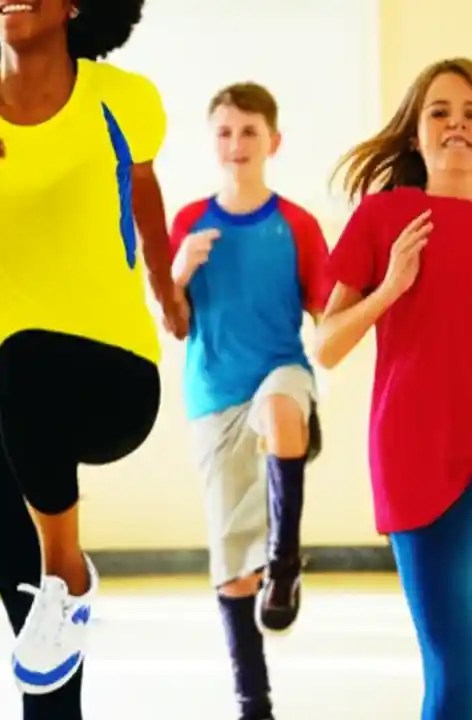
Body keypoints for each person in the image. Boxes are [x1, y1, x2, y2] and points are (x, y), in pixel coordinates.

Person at [0, 1, 186, 717]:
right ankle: (59, 598)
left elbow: (144, 190)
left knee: (25, 354)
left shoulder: (125, 98)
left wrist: (165, 286)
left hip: (113, 373)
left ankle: (67, 566)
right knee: (41, 645)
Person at [314, 57, 472, 720]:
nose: (457, 126)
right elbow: (326, 344)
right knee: (456, 666)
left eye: (470, 115)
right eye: (440, 112)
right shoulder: (385, 217)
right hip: (418, 456)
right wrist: (390, 289)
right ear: (415, 133)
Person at [169, 82, 331, 720]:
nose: (236, 144)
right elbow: (176, 322)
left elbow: (328, 313)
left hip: (280, 372)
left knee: (283, 410)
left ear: (274, 141)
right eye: (225, 132)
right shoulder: (188, 222)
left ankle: (285, 558)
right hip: (212, 397)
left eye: (249, 132)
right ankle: (253, 700)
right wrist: (178, 271)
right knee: (233, 569)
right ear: (212, 142)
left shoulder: (296, 224)